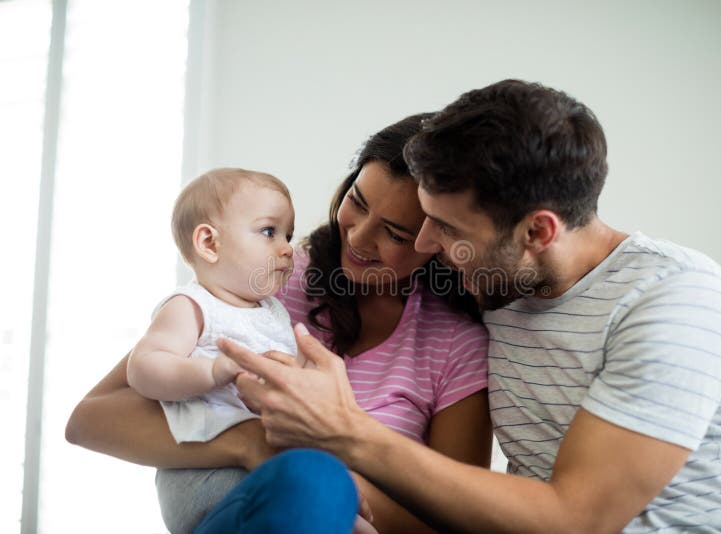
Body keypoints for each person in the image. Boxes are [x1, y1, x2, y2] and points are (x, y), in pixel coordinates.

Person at [219, 80, 721, 533]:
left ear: (538, 230)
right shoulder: (491, 288)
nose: (424, 245)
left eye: (444, 227)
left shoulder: (676, 300)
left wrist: (344, 432)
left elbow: (578, 519)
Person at [65, 113, 492, 534]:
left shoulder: (456, 344)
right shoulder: (265, 281)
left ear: (437, 242)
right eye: (356, 203)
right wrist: (250, 442)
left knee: (316, 480)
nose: (359, 238)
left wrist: (331, 476)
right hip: (237, 514)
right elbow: (91, 421)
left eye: (395, 234)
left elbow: (456, 522)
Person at [126, 168, 298, 445]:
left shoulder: (272, 311)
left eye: (287, 236)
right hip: (202, 460)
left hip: (260, 447)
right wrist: (213, 371)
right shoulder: (192, 307)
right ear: (209, 243)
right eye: (269, 232)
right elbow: (142, 369)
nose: (288, 248)